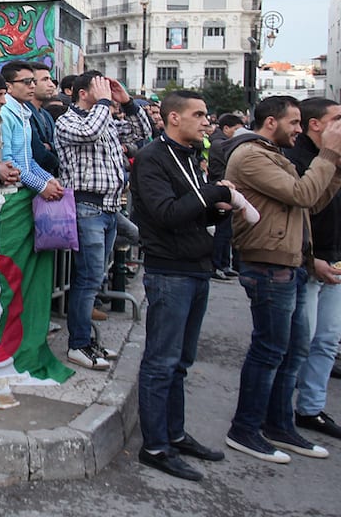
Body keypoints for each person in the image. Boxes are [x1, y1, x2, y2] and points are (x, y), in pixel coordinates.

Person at [224, 95, 341, 462]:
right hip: (267, 264)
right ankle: (245, 429)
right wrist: (329, 156)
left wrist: (334, 166)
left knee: (293, 351)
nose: (299, 129)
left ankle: (279, 425)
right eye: (294, 122)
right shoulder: (252, 155)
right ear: (271, 122)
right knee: (270, 350)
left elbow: (310, 203)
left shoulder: (274, 154)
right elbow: (301, 193)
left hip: (289, 263)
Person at [131, 90, 233, 481]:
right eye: (199, 115)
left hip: (196, 266)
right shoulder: (153, 158)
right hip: (169, 271)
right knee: (162, 361)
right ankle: (155, 445)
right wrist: (214, 194)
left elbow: (195, 210)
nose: (206, 122)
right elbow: (167, 213)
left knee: (182, 362)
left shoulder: (192, 157)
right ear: (174, 118)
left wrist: (219, 210)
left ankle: (174, 432)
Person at [54, 71, 149, 370]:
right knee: (87, 280)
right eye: (100, 88)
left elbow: (139, 132)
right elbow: (88, 133)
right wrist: (104, 103)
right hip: (87, 208)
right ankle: (78, 345)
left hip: (109, 209)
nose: (107, 95)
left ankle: (87, 341)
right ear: (84, 93)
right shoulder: (68, 121)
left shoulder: (104, 117)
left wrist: (128, 102)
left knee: (95, 280)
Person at [278, 99, 341, 443]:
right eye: (337, 119)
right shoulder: (295, 158)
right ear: (317, 125)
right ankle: (280, 414)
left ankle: (311, 407)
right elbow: (303, 205)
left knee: (327, 340)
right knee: (298, 343)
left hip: (334, 257)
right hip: (307, 263)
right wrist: (310, 255)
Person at [0, 61, 63, 202]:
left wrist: (48, 179)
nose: (33, 86)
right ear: (9, 86)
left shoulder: (24, 113)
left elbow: (28, 160)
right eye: (26, 82)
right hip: (9, 195)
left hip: (23, 191)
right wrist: (41, 186)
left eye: (33, 81)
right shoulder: (4, 113)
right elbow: (8, 161)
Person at [207, 113, 246, 278]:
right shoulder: (219, 144)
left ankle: (224, 263)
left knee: (227, 231)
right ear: (226, 128)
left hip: (228, 190)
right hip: (221, 189)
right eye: (236, 129)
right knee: (222, 232)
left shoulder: (224, 143)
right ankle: (217, 265)